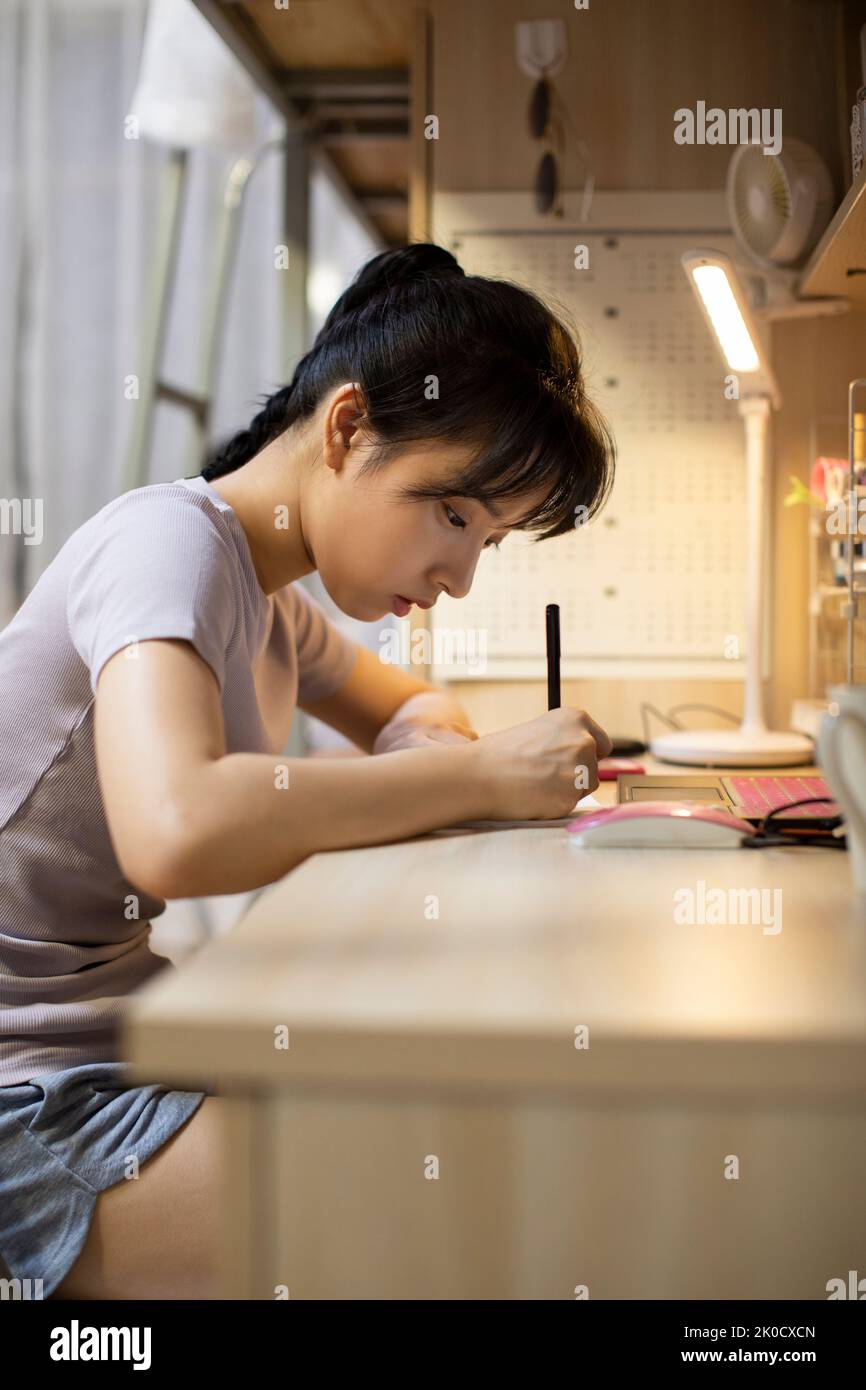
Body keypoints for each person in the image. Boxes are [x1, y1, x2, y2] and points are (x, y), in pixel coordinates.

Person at [0, 241, 615, 1300]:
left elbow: (417, 709)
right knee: (453, 1205)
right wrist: (477, 779)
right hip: (31, 1106)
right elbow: (177, 826)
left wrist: (438, 756)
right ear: (345, 428)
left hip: (118, 1044)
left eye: (492, 540)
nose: (459, 575)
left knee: (470, 1120)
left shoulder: (272, 603)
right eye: (454, 514)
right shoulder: (167, 543)